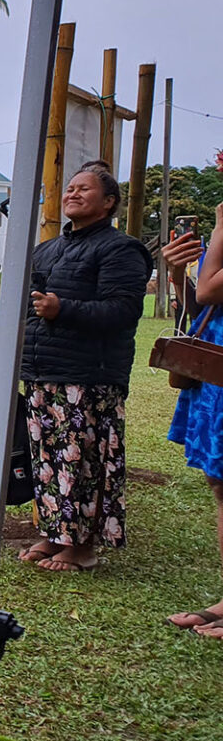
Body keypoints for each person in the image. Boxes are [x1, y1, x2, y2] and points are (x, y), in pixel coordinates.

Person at [15, 162, 151, 572]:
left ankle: (82, 547)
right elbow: (29, 301)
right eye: (70, 188)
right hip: (43, 371)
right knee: (47, 460)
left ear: (109, 202)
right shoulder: (49, 248)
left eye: (84, 189)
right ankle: (53, 532)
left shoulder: (120, 249)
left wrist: (63, 309)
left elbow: (123, 310)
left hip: (89, 375)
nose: (72, 193)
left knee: (82, 462)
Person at [160, 206, 223, 637]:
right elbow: (197, 301)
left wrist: (222, 224)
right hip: (215, 359)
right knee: (220, 484)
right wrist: (177, 271)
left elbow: (209, 289)